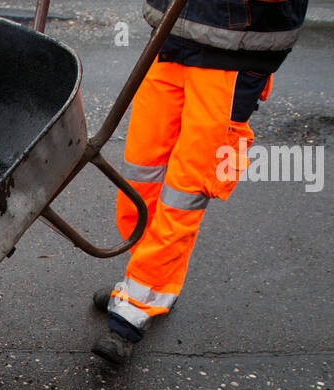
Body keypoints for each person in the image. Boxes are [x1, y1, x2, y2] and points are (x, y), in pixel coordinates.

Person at [92, 0, 309, 364]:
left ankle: (138, 305)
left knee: (185, 189)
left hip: (235, 50)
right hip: (173, 34)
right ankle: (140, 281)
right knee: (141, 174)